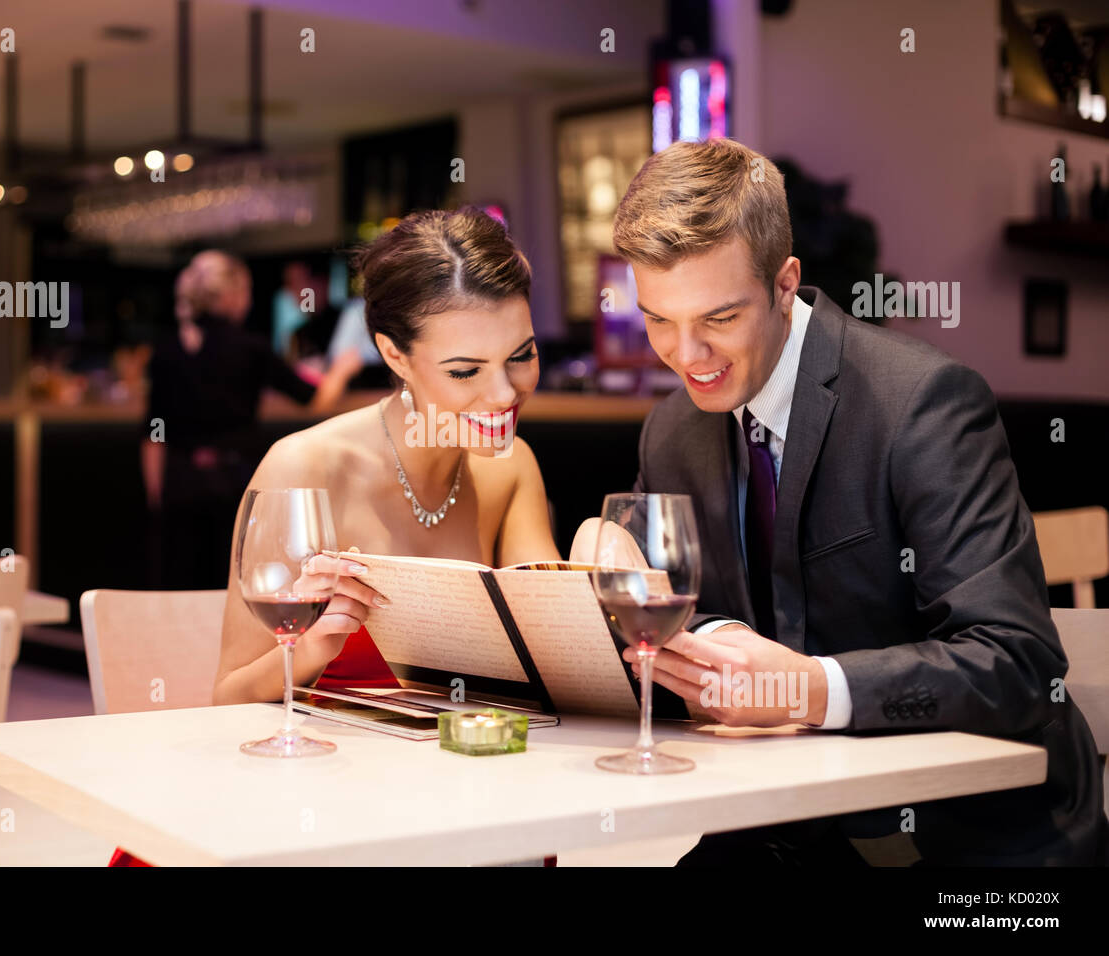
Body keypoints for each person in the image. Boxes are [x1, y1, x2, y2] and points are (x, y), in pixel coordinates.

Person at [594, 137, 1107, 865]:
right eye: (658, 320)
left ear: (784, 282)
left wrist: (804, 689)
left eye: (719, 319)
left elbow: (1017, 664)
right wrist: (622, 570)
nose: (687, 357)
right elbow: (667, 605)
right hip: (790, 826)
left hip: (971, 840)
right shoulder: (673, 430)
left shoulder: (921, 404)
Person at [213, 207, 560, 705]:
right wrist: (312, 648)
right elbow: (226, 700)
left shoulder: (511, 465)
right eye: (465, 371)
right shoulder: (302, 469)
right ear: (395, 355)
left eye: (521, 356)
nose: (505, 394)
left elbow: (552, 662)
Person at [142, 250, 360, 590]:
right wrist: (344, 369)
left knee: (181, 585)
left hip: (180, 482)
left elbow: (154, 433)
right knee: (230, 584)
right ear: (230, 296)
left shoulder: (166, 349)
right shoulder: (249, 348)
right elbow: (314, 399)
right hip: (235, 483)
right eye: (246, 291)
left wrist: (159, 495)